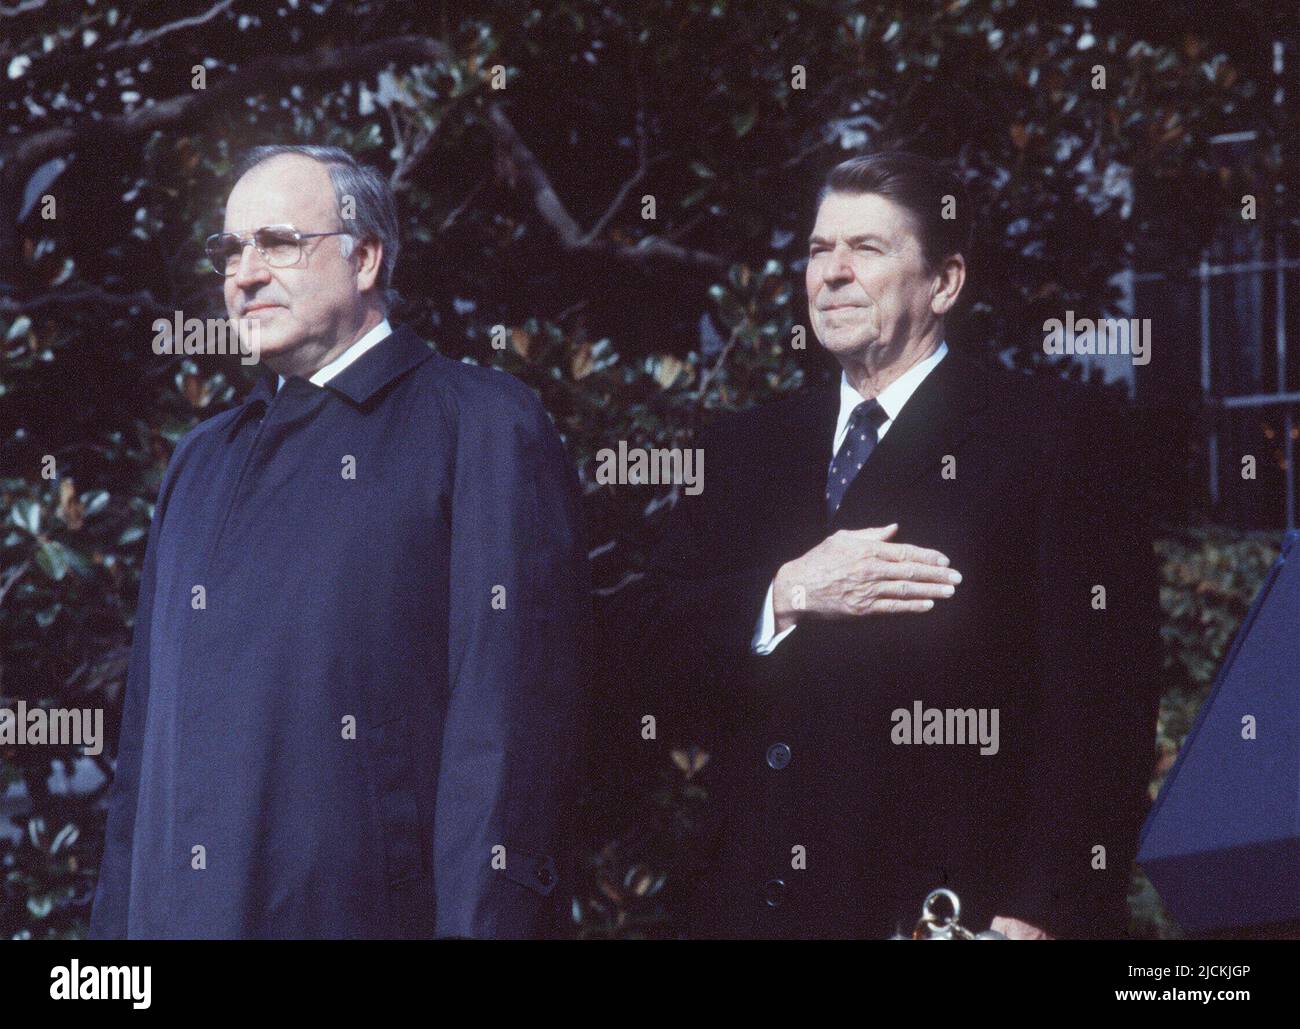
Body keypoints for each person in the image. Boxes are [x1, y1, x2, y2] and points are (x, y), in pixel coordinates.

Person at [638, 150, 1161, 939]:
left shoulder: (1049, 438)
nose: (832, 273)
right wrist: (785, 593)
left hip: (949, 912)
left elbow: (1102, 706)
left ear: (944, 283)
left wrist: (1042, 909)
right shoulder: (740, 449)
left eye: (867, 249)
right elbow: (651, 647)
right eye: (819, 250)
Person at [88, 145, 589, 939]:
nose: (244, 273)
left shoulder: (481, 424)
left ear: (365, 258)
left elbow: (507, 733)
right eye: (229, 250)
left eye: (278, 242)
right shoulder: (199, 461)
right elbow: (143, 760)